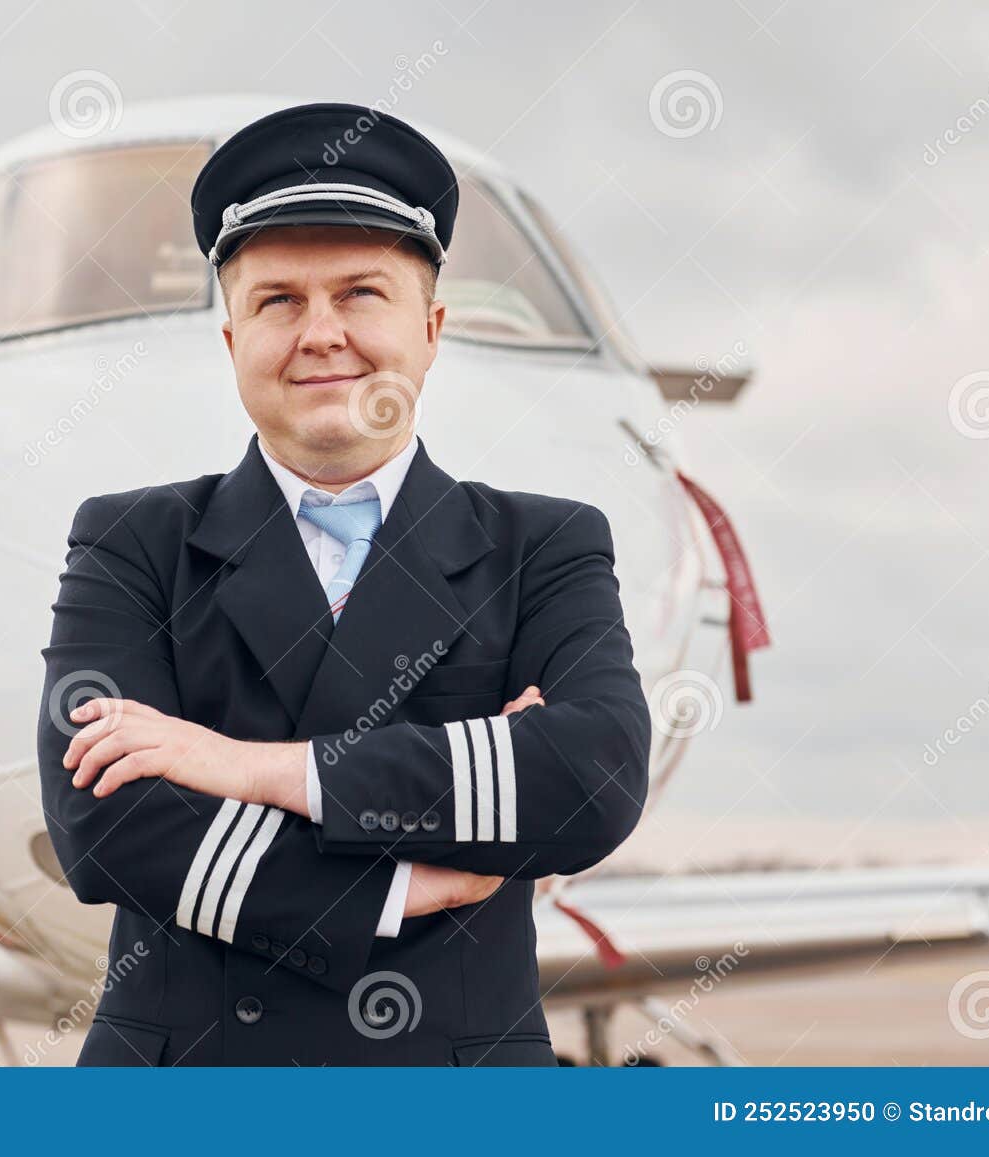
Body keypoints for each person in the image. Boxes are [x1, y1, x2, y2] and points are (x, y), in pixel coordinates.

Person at [36, 102, 650, 1066]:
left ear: (433, 327)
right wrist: (409, 883)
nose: (321, 334)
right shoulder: (130, 541)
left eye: (361, 293)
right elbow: (105, 826)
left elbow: (590, 782)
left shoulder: (548, 545)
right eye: (278, 300)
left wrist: (245, 766)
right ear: (232, 340)